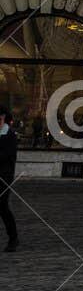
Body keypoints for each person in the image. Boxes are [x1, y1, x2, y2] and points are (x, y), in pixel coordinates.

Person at [0, 108, 17, 251]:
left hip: (4, 176)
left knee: (2, 206)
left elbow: (8, 156)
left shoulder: (10, 134)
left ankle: (13, 238)